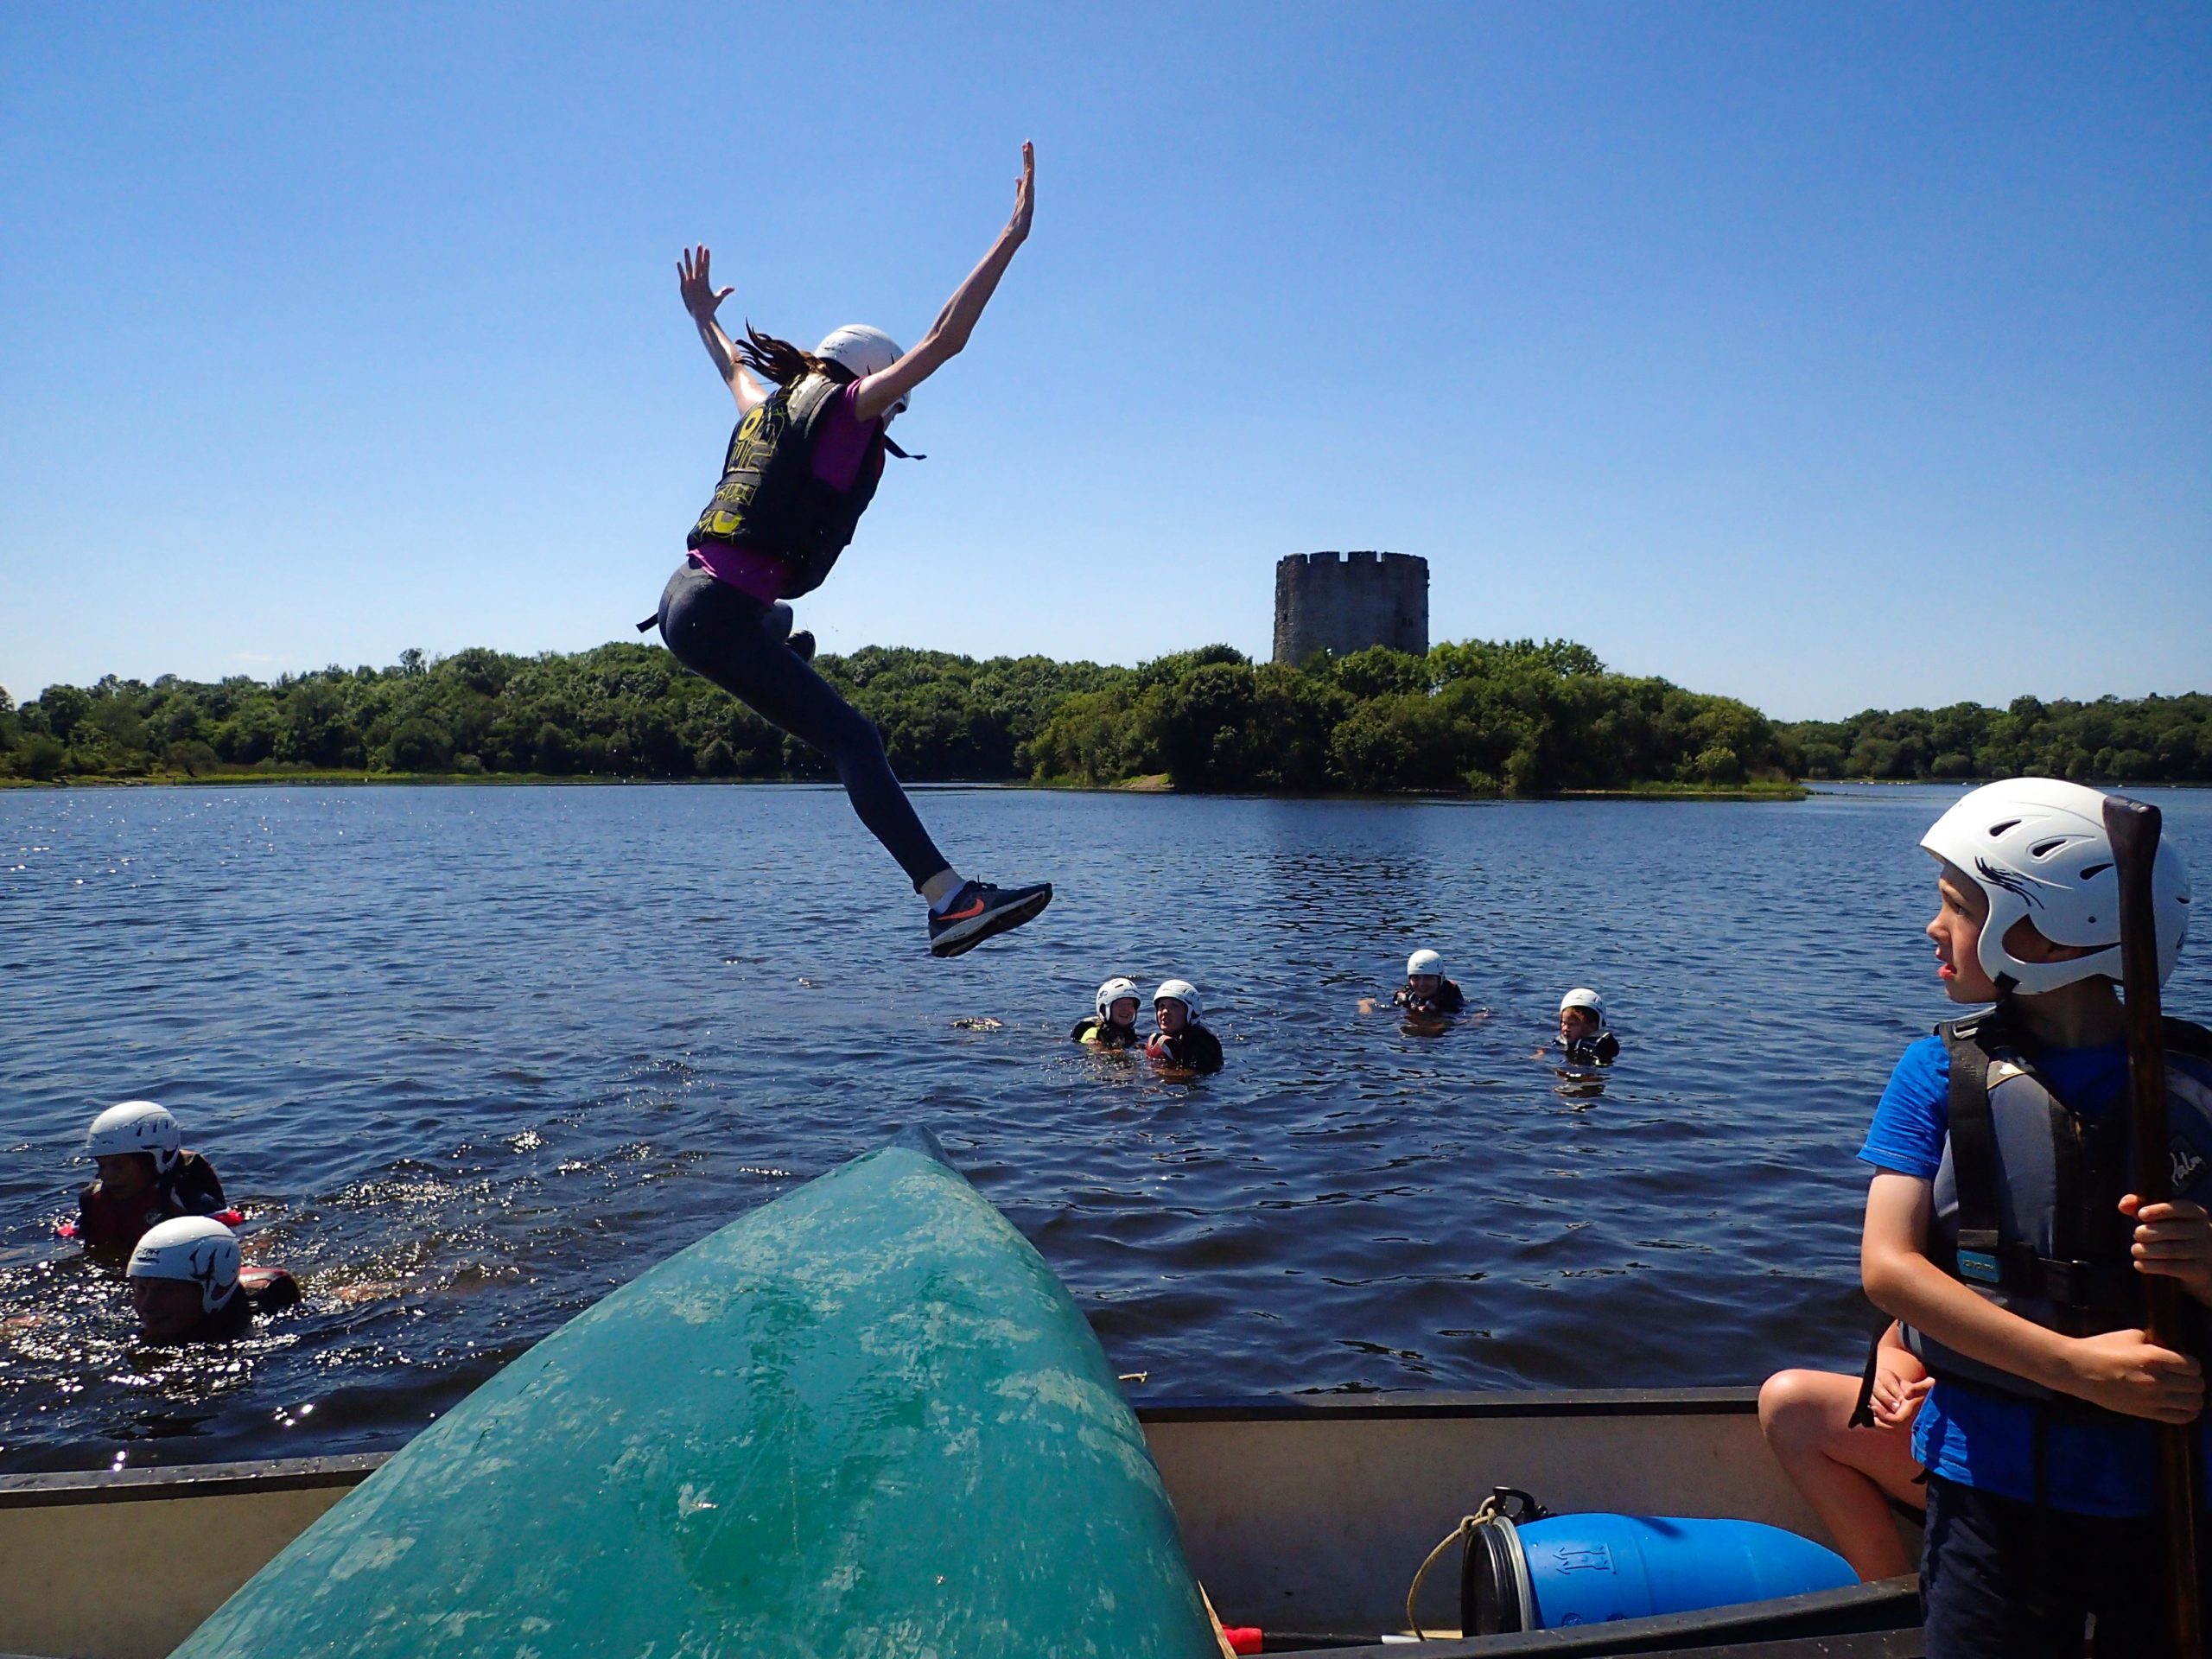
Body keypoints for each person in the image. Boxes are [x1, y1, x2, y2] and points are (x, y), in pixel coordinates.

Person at [649, 143, 1051, 960]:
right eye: (892, 404)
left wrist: (702, 317)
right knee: (856, 739)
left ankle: (778, 638)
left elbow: (730, 364)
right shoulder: (847, 407)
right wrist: (1011, 238)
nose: (891, 417)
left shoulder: (769, 404)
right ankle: (948, 898)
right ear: (871, 379)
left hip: (686, 601)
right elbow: (947, 338)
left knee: (784, 621)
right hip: (717, 613)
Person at [1857, 778, 2212, 1658]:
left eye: (1954, 906)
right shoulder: (1935, 1073)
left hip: (2173, 1491)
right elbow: (1889, 1268)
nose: (1932, 928)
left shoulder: (2197, 1088)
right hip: (1990, 1488)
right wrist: (2073, 1367)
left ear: (2048, 932)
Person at [1758, 1323, 1929, 1581]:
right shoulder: (1932, 1285)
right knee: (1794, 1410)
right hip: (1944, 1444)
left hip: (1997, 1454)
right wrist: (1892, 1385)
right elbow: (1903, 1336)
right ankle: (1888, 1591)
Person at [73, 1100, 228, 1256]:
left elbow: (229, 1240)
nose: (107, 1176)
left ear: (158, 1160)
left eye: (118, 1166)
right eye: (102, 1166)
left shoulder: (188, 1202)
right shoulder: (92, 1200)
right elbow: (71, 1236)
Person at [126, 1217, 299, 1345]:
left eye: (165, 1290)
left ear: (217, 1291)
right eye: (141, 1288)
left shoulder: (258, 1335)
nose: (146, 1306)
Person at [1146, 980, 1224, 1074]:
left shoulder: (1202, 1042)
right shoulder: (1170, 1039)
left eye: (1174, 1006)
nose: (1165, 1011)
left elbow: (1195, 1075)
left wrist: (1159, 1072)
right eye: (1162, 1006)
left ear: (1192, 1012)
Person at [1534, 988, 1620, 1066]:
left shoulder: (1603, 1045)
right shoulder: (1562, 1040)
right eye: (1564, 1023)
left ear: (1592, 1026)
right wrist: (1542, 1053)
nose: (1566, 1028)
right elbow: (1551, 1047)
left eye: (1572, 1024)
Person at [1073, 976, 1144, 1050]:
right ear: (1104, 1010)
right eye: (1119, 1004)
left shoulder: (1132, 1035)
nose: (1125, 1009)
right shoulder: (1092, 1033)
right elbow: (1094, 1049)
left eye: (1129, 1004)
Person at [1392, 950, 1467, 1017]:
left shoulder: (1453, 1004)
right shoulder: (1405, 998)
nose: (1421, 984)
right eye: (1416, 978)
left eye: (1428, 978)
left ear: (1440, 980)